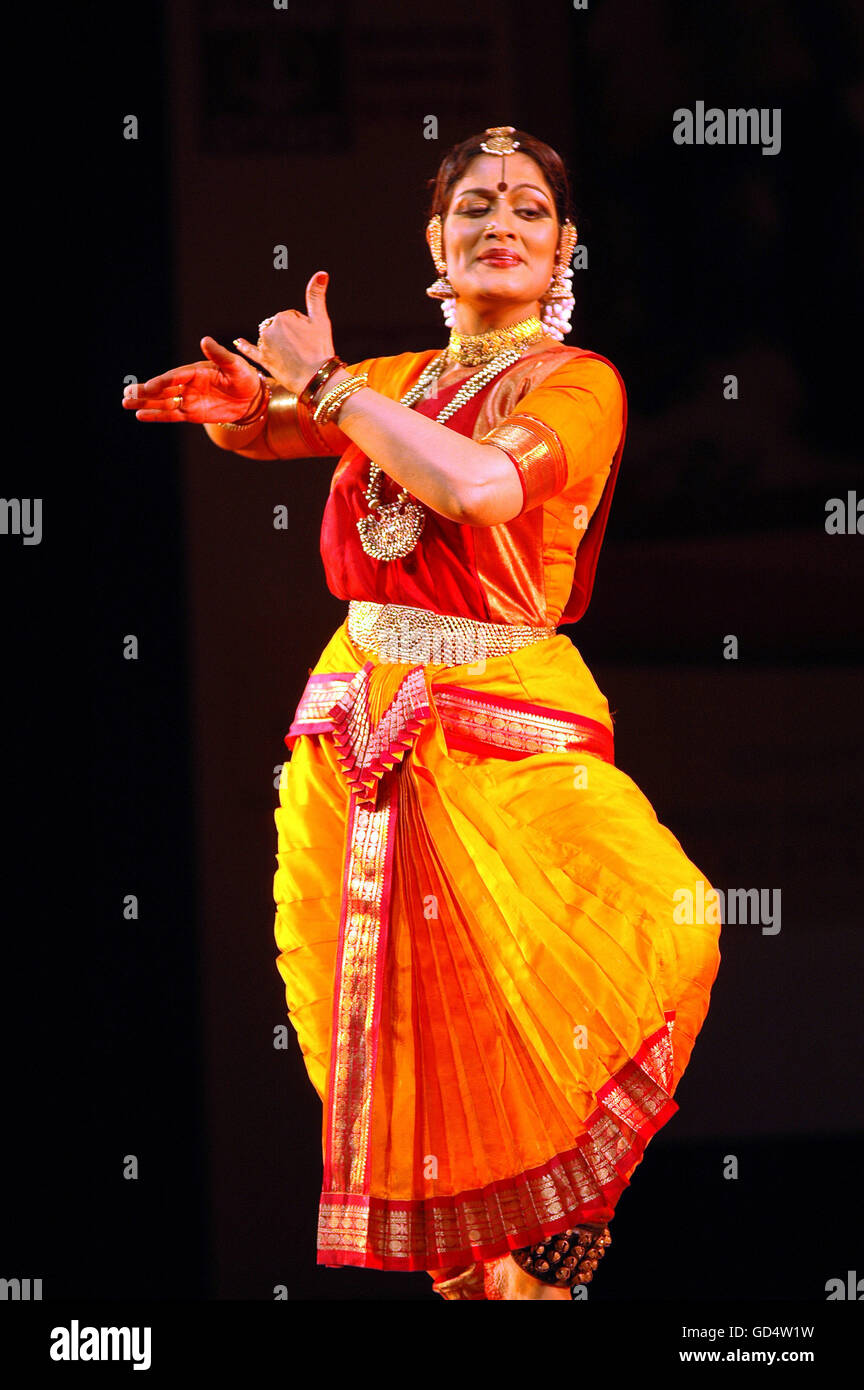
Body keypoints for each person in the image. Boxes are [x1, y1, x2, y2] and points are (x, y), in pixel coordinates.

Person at [122, 126, 722, 1301]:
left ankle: (548, 1245)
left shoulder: (575, 382)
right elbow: (287, 424)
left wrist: (330, 388)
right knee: (410, 1040)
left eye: (532, 209)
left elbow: (477, 485)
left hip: (500, 722)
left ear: (564, 255)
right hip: (361, 728)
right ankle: (483, 1270)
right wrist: (249, 405)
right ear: (436, 247)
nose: (502, 221)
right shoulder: (405, 378)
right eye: (475, 207)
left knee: (656, 931)